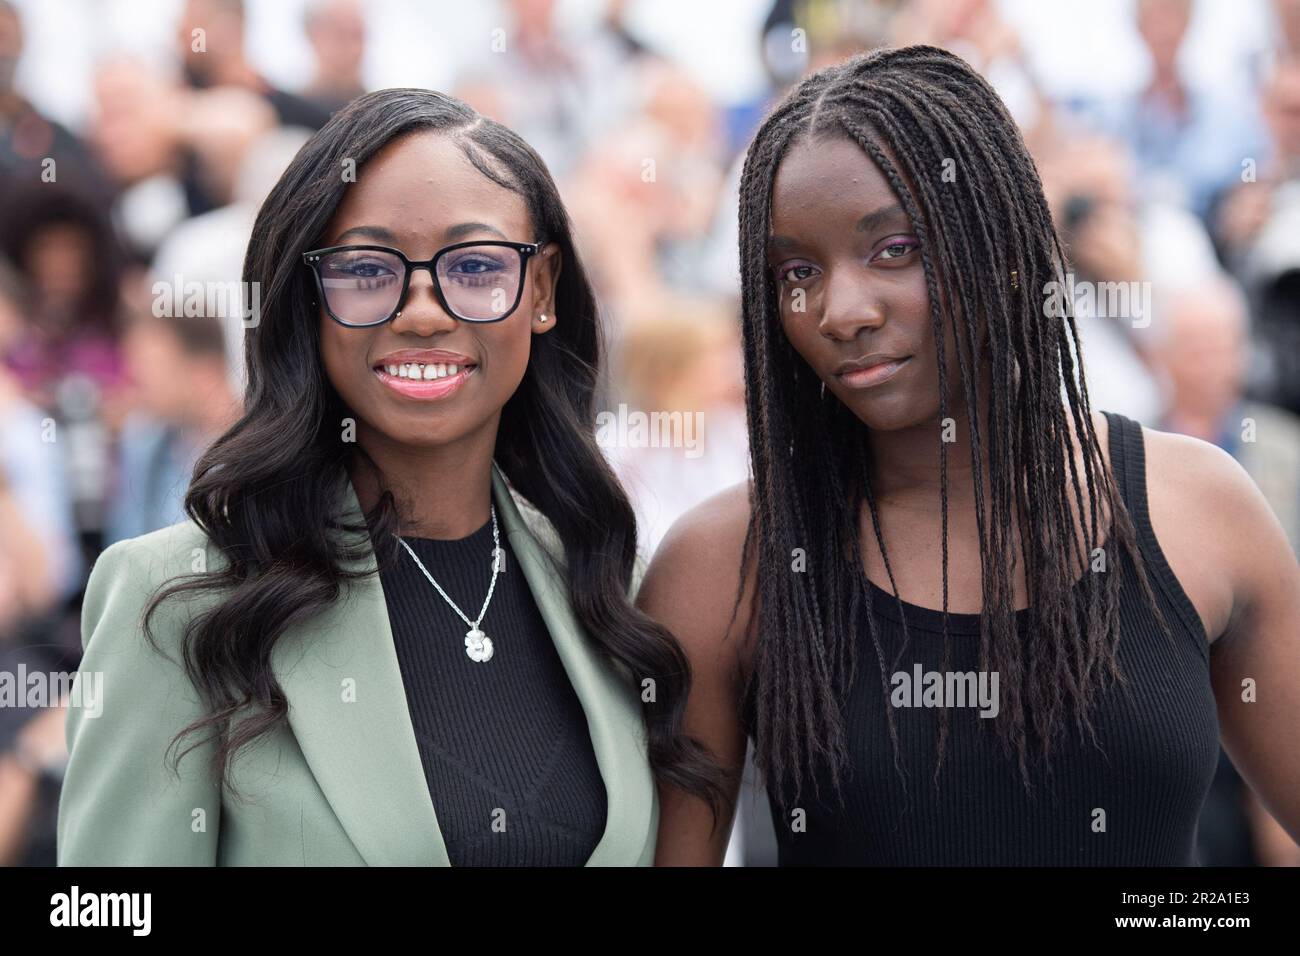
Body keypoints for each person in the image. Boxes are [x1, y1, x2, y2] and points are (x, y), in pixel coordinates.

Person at [642, 46, 1300, 866]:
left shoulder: (1200, 509)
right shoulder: (720, 566)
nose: (840, 311)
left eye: (895, 249)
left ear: (1004, 247)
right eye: (796, 271)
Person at [58, 88, 723, 866]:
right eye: (366, 268)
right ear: (308, 301)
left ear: (540, 291)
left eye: (475, 265)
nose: (421, 309)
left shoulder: (608, 585)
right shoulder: (177, 600)